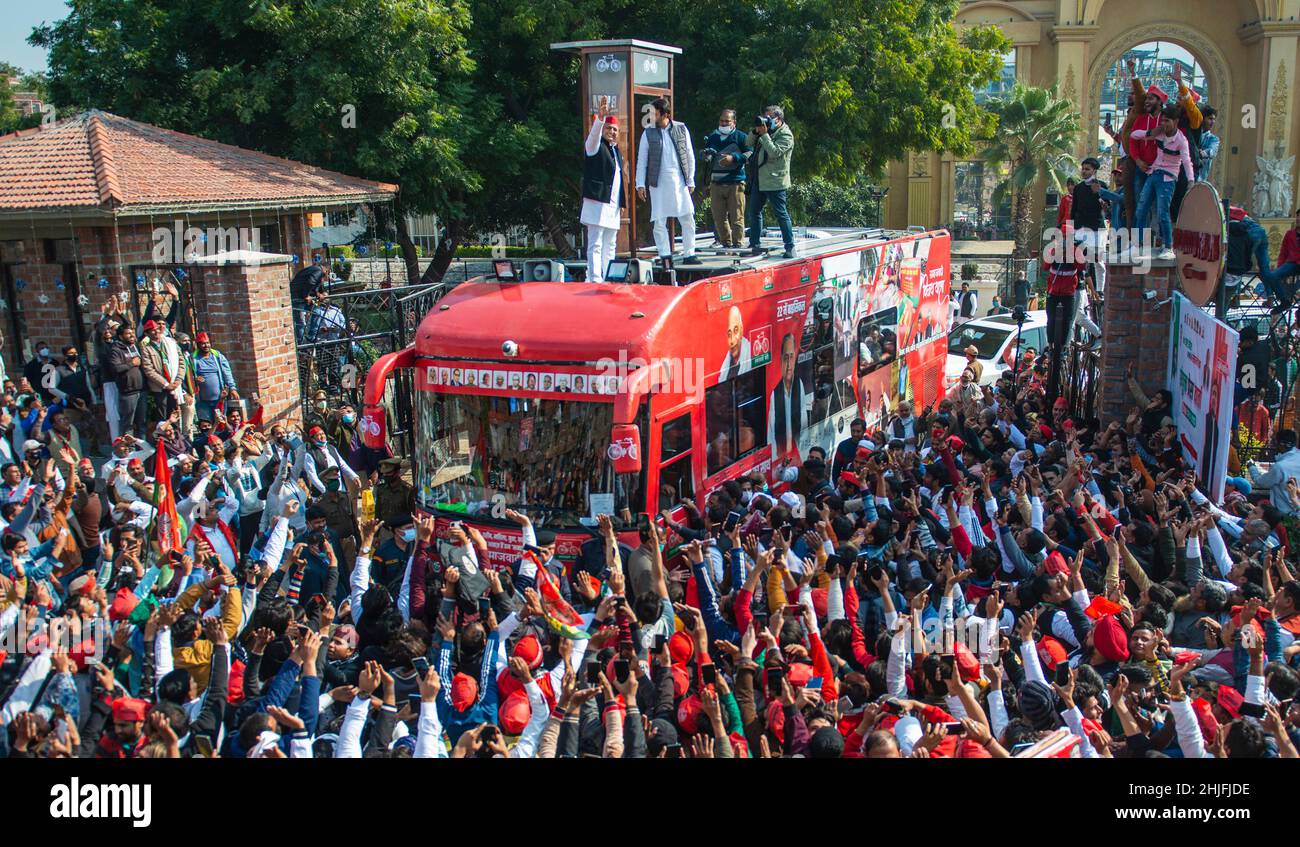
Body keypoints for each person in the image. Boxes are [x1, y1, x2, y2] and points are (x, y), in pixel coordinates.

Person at [635, 97, 699, 266]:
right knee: (659, 220)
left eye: (656, 114)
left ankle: (689, 254)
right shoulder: (648, 132)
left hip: (679, 180)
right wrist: (640, 184)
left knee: (687, 217)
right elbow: (641, 160)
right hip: (658, 182)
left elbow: (689, 155)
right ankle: (665, 255)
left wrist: (690, 179)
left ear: (666, 114)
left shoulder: (681, 128)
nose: (653, 117)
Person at [1130, 104, 1192, 262]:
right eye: (1163, 121)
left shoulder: (1181, 140)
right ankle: (1138, 245)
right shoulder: (1159, 134)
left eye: (1167, 121)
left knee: (1162, 212)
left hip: (1168, 178)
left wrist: (1191, 181)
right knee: (1141, 209)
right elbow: (1134, 135)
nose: (1164, 124)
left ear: (1176, 121)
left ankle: (1168, 246)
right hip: (1154, 173)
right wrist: (1151, 133)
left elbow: (1186, 161)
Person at [580, 97, 625, 283]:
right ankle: (595, 278)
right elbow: (593, 137)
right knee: (595, 243)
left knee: (610, 244)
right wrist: (600, 118)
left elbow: (620, 180)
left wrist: (622, 203)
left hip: (612, 205)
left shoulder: (616, 151)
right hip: (597, 202)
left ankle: (609, 278)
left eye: (614, 130)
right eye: (609, 129)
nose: (612, 132)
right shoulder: (595, 147)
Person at [746, 106, 796, 259]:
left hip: (775, 180)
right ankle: (754, 244)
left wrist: (765, 134)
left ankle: (790, 247)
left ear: (778, 119)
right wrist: (756, 132)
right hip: (760, 179)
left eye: (769, 118)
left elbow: (774, 153)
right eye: (764, 117)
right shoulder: (764, 131)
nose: (766, 121)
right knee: (754, 211)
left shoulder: (786, 134)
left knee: (781, 214)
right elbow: (748, 143)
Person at [703, 109, 749, 248]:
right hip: (716, 183)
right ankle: (726, 245)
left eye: (727, 121)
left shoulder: (741, 137)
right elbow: (707, 155)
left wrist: (733, 158)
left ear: (733, 122)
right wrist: (706, 155)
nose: (723, 124)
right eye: (721, 121)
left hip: (735, 183)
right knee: (719, 218)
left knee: (737, 218)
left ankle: (738, 245)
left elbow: (749, 154)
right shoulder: (713, 137)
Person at [767, 333, 808, 459]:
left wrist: (801, 454)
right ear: (780, 360)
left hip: (796, 455)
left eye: (791, 357)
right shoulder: (774, 392)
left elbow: (803, 424)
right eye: (786, 358)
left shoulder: (798, 384)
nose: (789, 365)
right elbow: (771, 435)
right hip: (779, 459)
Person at [108, 324, 148, 438]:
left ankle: (143, 450)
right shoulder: (115, 350)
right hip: (128, 393)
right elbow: (116, 368)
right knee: (128, 425)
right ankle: (129, 452)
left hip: (142, 390)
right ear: (120, 336)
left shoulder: (135, 347)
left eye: (132, 333)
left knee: (142, 423)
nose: (131, 335)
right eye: (128, 333)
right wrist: (132, 363)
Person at [190, 332, 237, 422]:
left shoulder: (217, 356)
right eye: (203, 343)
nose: (206, 345)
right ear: (198, 345)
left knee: (220, 423)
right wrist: (194, 379)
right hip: (202, 401)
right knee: (206, 425)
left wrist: (232, 388)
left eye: (207, 343)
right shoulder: (193, 358)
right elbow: (188, 376)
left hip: (219, 399)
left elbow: (227, 373)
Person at [721, 306, 752, 381]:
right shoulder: (727, 361)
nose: (732, 340)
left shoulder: (750, 352)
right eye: (729, 334)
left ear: (741, 331)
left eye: (735, 331)